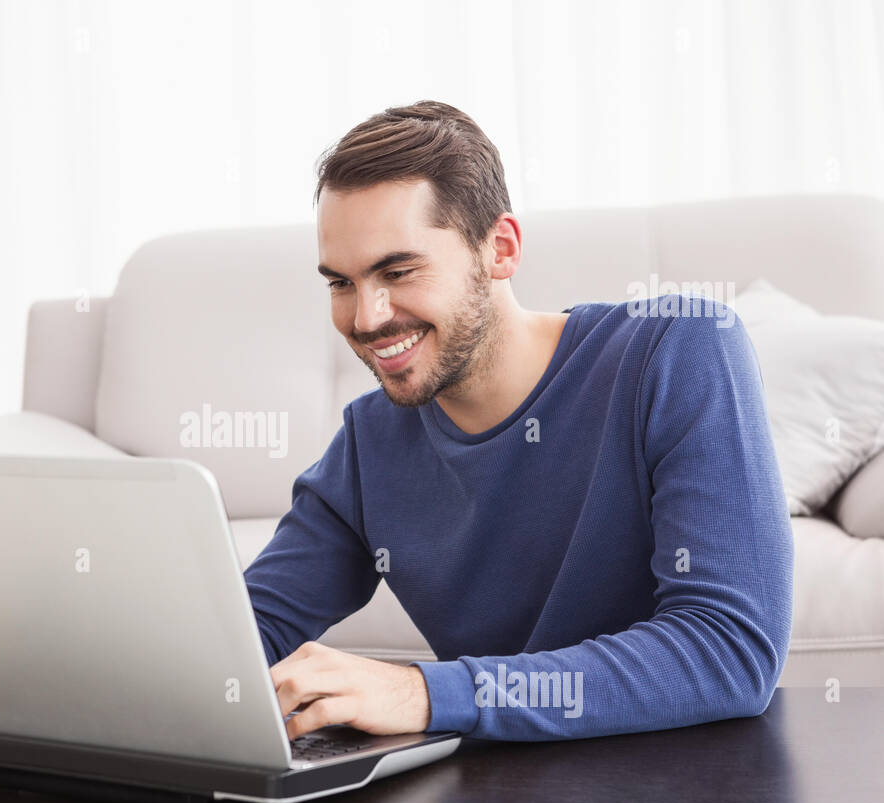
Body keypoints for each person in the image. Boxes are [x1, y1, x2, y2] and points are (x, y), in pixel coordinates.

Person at [245, 100, 793, 742]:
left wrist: (426, 692)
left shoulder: (678, 351)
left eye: (398, 271)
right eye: (341, 283)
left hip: (688, 799)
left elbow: (727, 651)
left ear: (499, 249)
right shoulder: (370, 444)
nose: (366, 318)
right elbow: (243, 636)